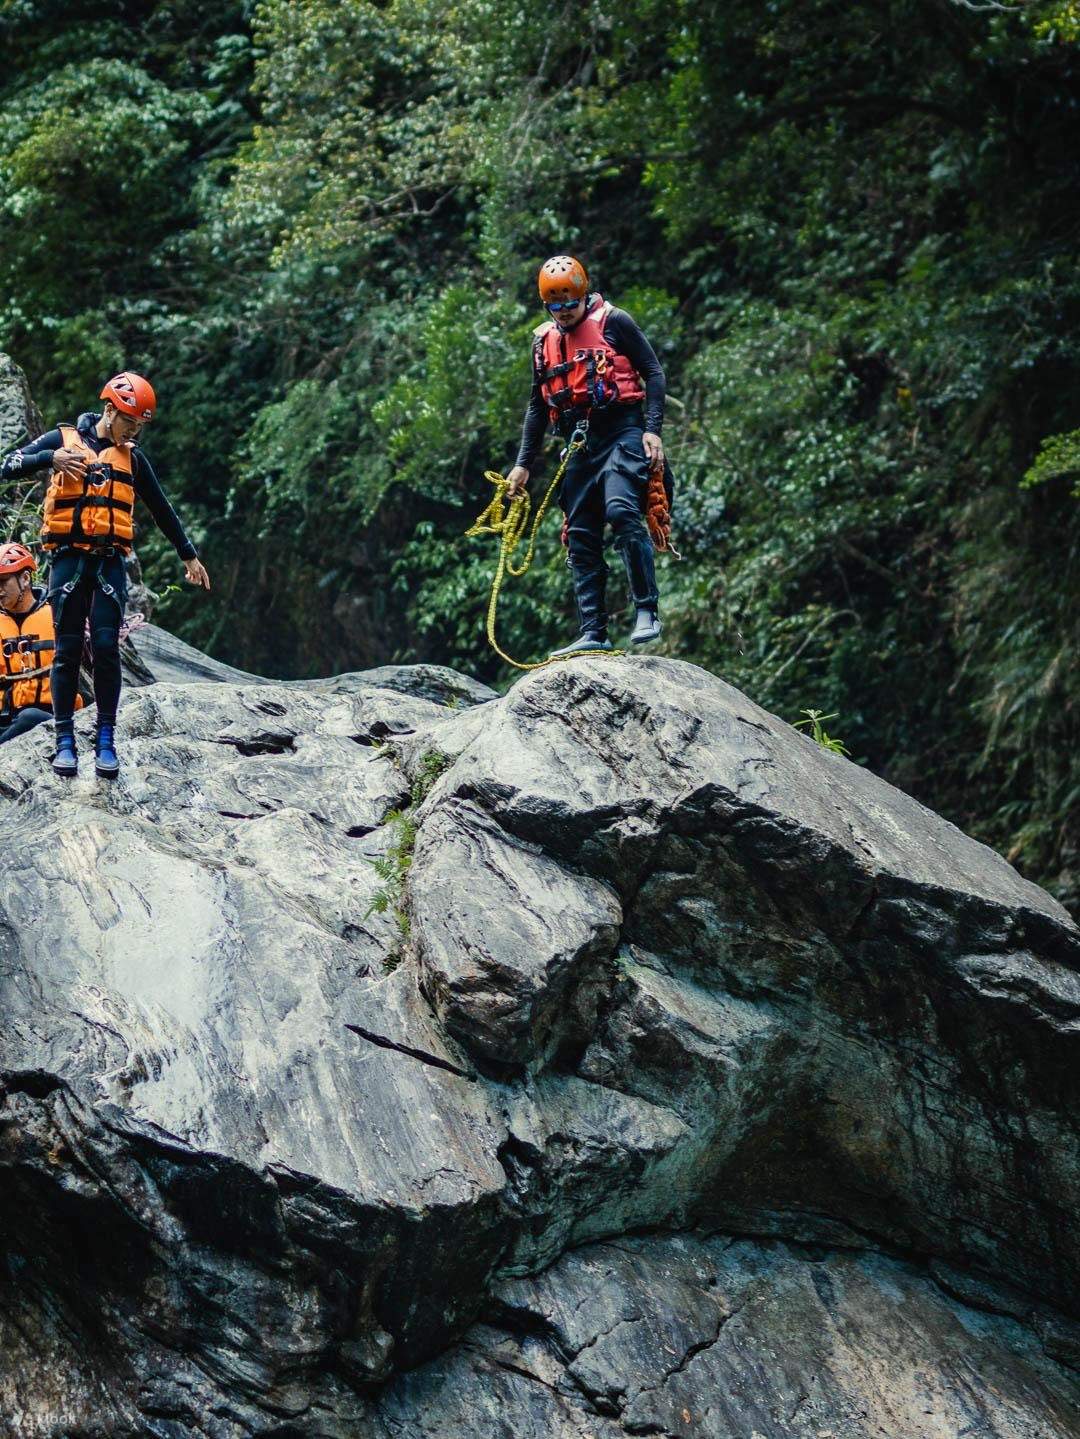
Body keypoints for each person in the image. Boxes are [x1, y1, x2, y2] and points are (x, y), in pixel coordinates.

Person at [0, 371, 210, 776]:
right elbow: (7, 465)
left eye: (140, 424)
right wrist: (50, 459)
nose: (134, 431)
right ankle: (64, 741)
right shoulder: (62, 442)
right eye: (130, 421)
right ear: (109, 410)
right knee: (67, 651)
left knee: (107, 647)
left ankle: (106, 739)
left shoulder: (132, 457)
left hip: (109, 560)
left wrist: (189, 556)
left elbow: (161, 508)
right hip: (68, 559)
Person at [505, 255, 667, 657]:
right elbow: (537, 405)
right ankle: (593, 630)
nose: (562, 314)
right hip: (579, 445)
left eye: (569, 305)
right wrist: (524, 463)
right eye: (554, 307)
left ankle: (646, 610)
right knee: (579, 534)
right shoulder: (543, 340)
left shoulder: (615, 322)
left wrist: (653, 429)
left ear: (583, 296)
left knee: (622, 511)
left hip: (622, 432)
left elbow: (654, 372)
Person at [0, 542, 81, 746]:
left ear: (25, 578)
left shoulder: (57, 615)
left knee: (29, 717)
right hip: (7, 717)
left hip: (51, 715)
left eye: (3, 581)